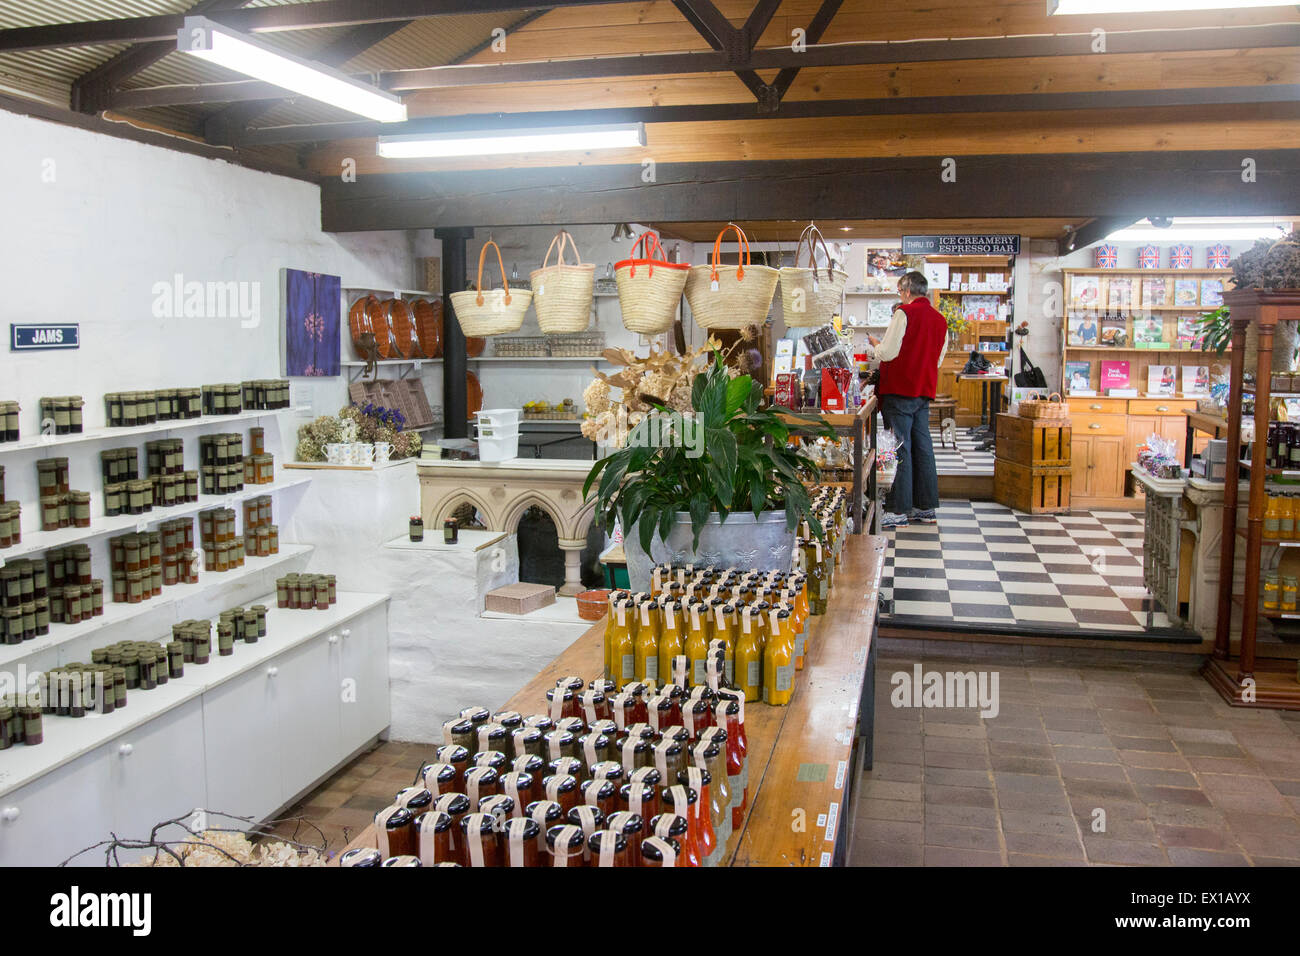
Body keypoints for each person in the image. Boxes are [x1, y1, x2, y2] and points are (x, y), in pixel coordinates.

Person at [867, 271, 948, 529]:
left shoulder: (904, 313)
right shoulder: (940, 320)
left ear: (906, 291)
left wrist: (873, 348)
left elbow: (888, 352)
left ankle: (898, 509)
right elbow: (938, 358)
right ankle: (924, 507)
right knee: (922, 447)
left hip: (900, 389)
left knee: (900, 447)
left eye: (900, 291)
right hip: (923, 390)